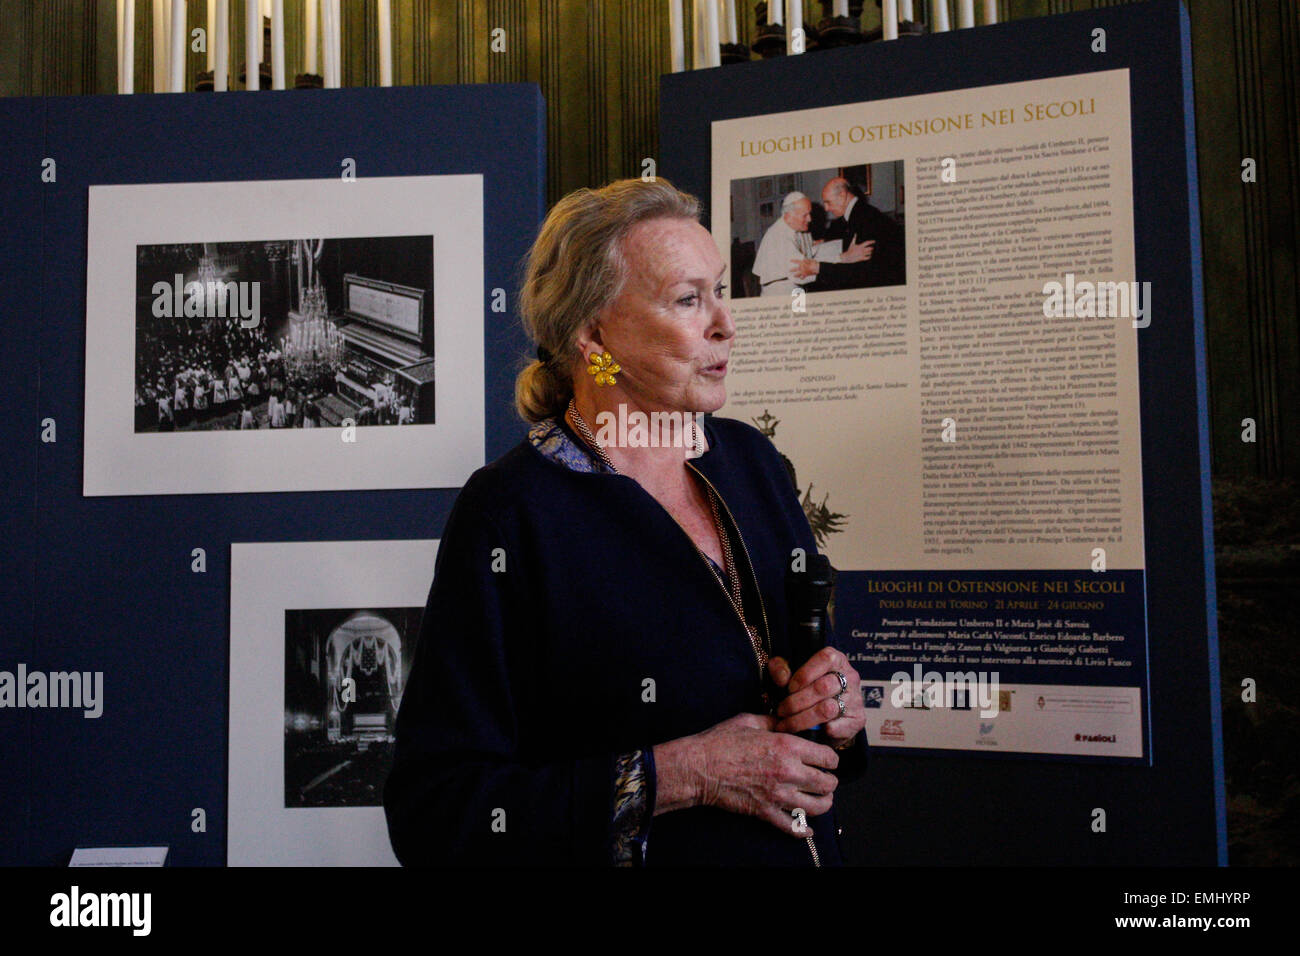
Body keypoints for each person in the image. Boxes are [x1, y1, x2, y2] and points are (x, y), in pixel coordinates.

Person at [384, 178, 868, 867]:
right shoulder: (509, 515)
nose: (726, 324)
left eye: (721, 291)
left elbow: (808, 705)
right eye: (687, 299)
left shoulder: (752, 463)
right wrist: (683, 774)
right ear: (593, 333)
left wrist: (836, 712)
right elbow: (438, 811)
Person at [793, 176, 906, 291]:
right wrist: (824, 241)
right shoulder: (858, 212)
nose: (826, 208)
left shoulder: (864, 218)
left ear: (842, 195)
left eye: (828, 202)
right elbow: (840, 232)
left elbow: (860, 272)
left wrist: (819, 268)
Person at [750, 192, 866, 297]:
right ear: (788, 216)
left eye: (809, 214)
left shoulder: (796, 228)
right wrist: (844, 258)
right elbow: (802, 272)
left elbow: (811, 251)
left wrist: (842, 246)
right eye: (805, 215)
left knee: (802, 318)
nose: (810, 219)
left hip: (796, 290)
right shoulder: (779, 237)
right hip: (780, 294)